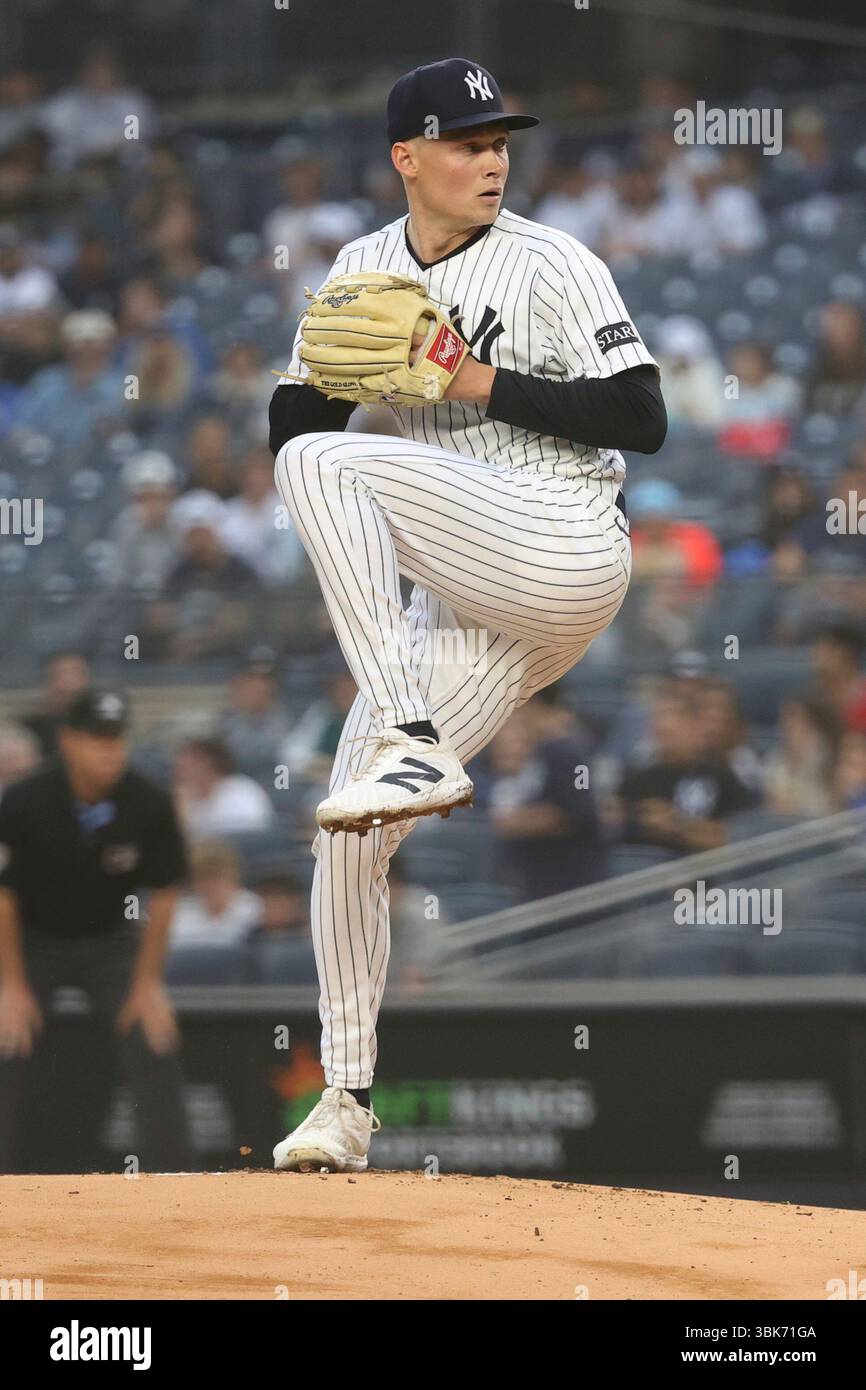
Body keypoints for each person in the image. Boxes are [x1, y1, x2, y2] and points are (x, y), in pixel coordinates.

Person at [267, 58, 666, 1173]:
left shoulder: (551, 260)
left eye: (501, 141)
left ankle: (405, 733)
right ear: (407, 159)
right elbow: (295, 417)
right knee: (350, 830)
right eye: (466, 140)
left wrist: (471, 381)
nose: (492, 157)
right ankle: (344, 1099)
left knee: (329, 469)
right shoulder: (360, 265)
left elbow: (644, 413)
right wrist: (331, 391)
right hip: (473, 588)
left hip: (565, 539)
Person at [0, 689, 190, 1171]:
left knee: (153, 1037)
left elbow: (165, 893)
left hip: (111, 940)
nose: (109, 750)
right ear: (67, 741)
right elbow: (5, 896)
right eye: (96, 739)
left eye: (117, 739)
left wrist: (148, 983)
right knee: (6, 1037)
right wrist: (11, 986)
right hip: (32, 942)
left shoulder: (148, 800)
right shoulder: (24, 800)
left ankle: (176, 1182)